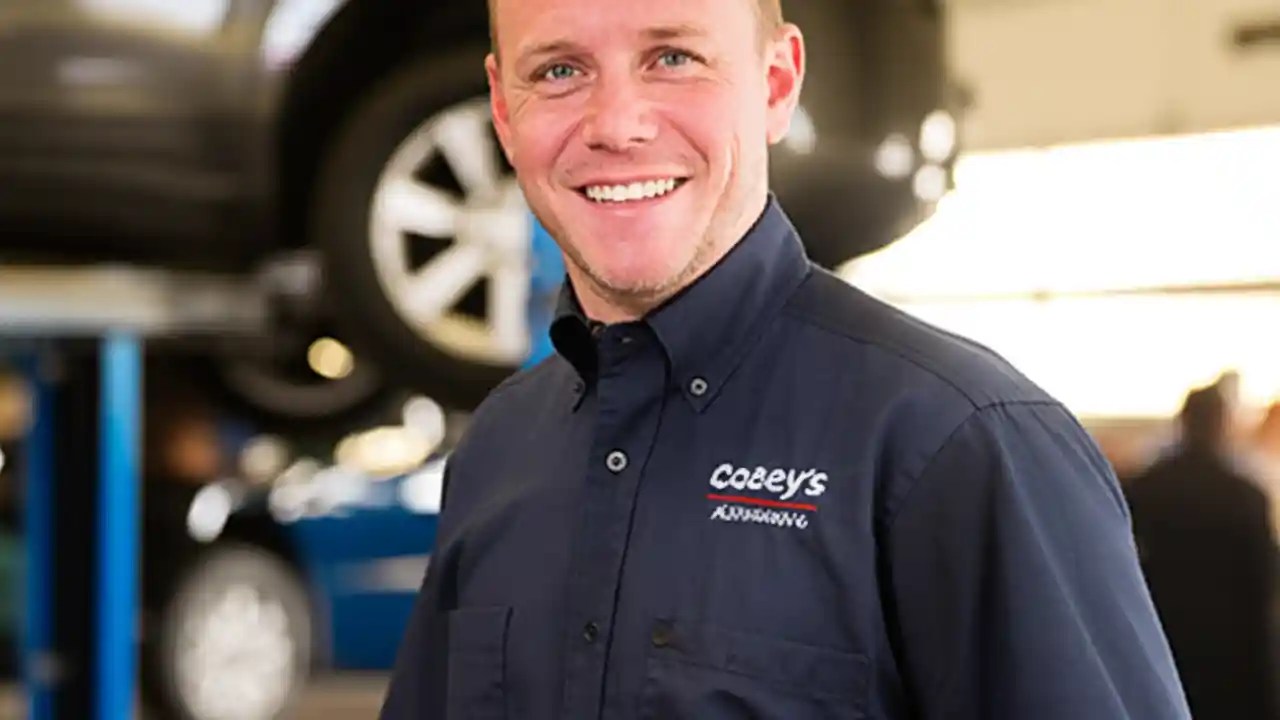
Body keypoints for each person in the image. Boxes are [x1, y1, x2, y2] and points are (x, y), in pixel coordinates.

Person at [379, 0, 1192, 717]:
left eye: (673, 57)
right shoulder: (498, 450)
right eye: (558, 70)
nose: (616, 123)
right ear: (502, 108)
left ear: (775, 84)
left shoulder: (960, 443)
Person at [1126, 385, 1278, 720]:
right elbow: (1263, 582)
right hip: (1231, 651)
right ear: (1221, 424)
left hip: (1167, 642)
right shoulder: (1245, 496)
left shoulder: (1146, 487)